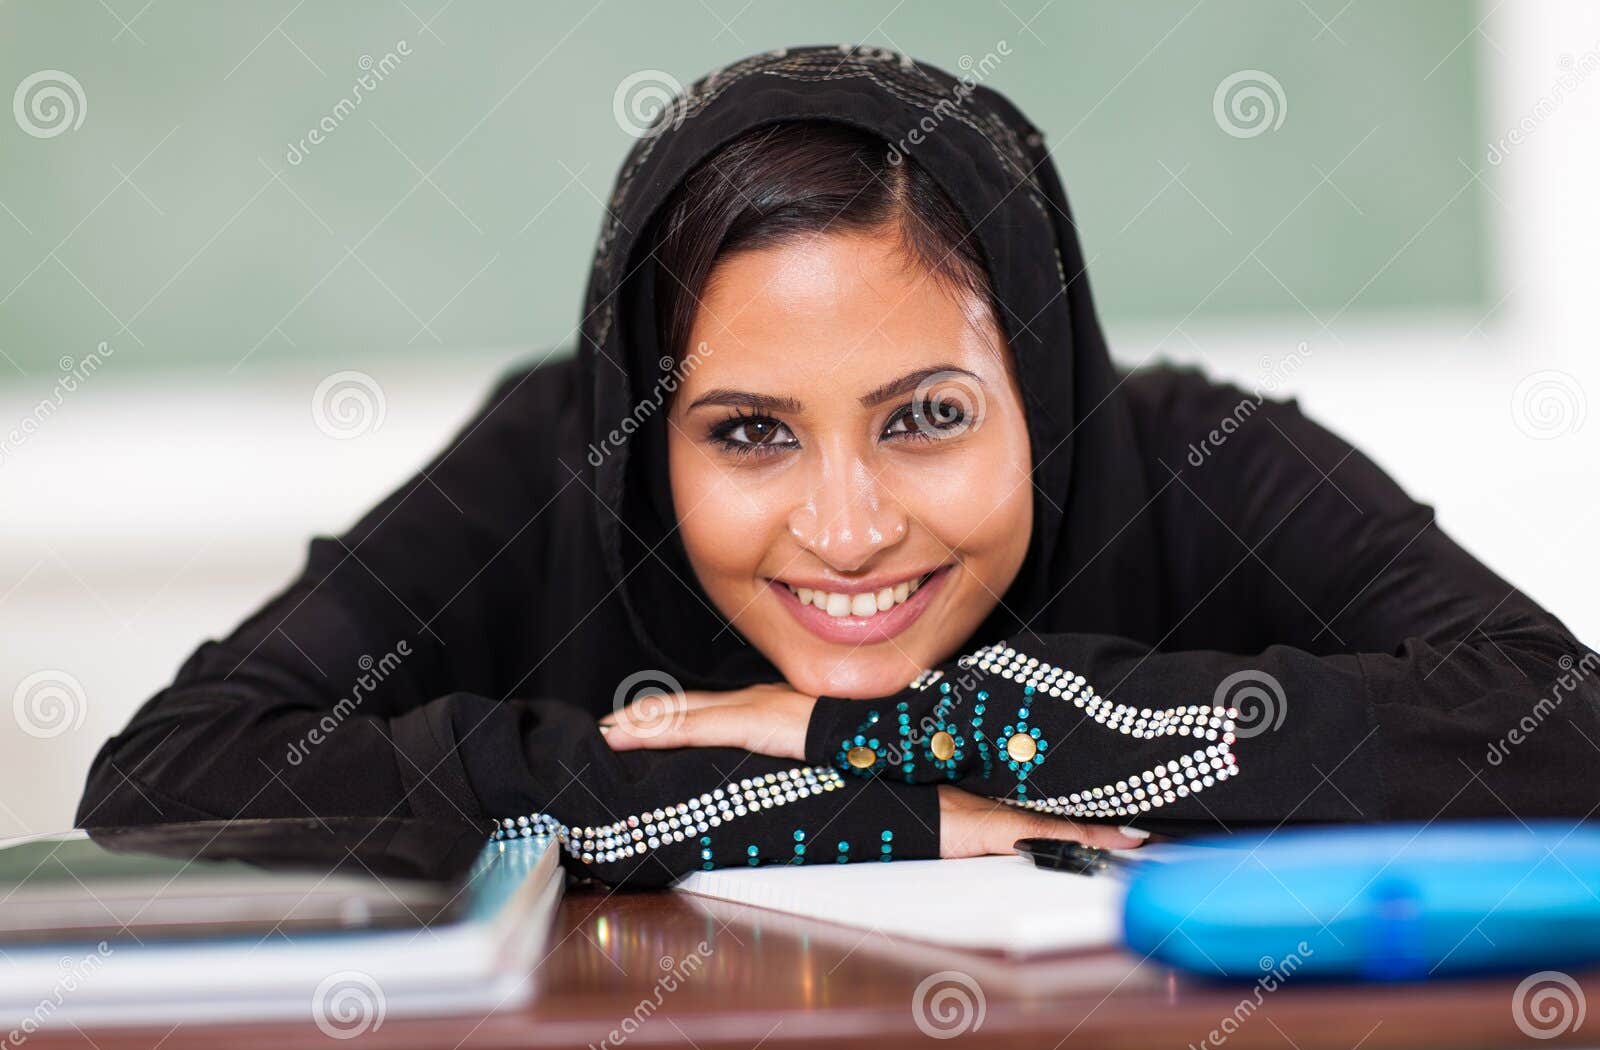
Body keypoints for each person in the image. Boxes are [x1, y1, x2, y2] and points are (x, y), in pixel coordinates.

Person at [76, 45, 1600, 887]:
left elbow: (1562, 726)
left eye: (927, 415)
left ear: (1042, 380)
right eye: (748, 433)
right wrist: (861, 798)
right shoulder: (548, 461)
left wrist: (940, 728)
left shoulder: (1200, 456)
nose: (849, 527)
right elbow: (168, 778)